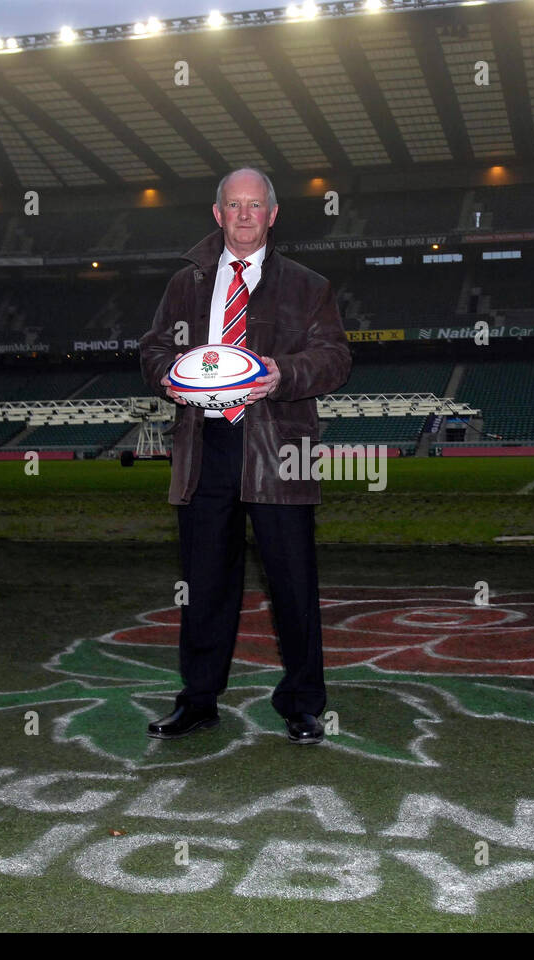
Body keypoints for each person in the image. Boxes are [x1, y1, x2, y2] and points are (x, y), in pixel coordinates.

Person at [138, 167, 352, 745]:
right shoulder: (185, 284)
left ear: (273, 214)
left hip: (279, 448)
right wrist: (172, 377)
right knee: (205, 584)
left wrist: (283, 374)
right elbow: (154, 346)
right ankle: (199, 699)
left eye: (255, 205)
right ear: (217, 213)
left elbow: (335, 359)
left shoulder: (309, 285)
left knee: (293, 585)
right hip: (206, 446)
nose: (244, 215)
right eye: (234, 205)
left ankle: (303, 703)